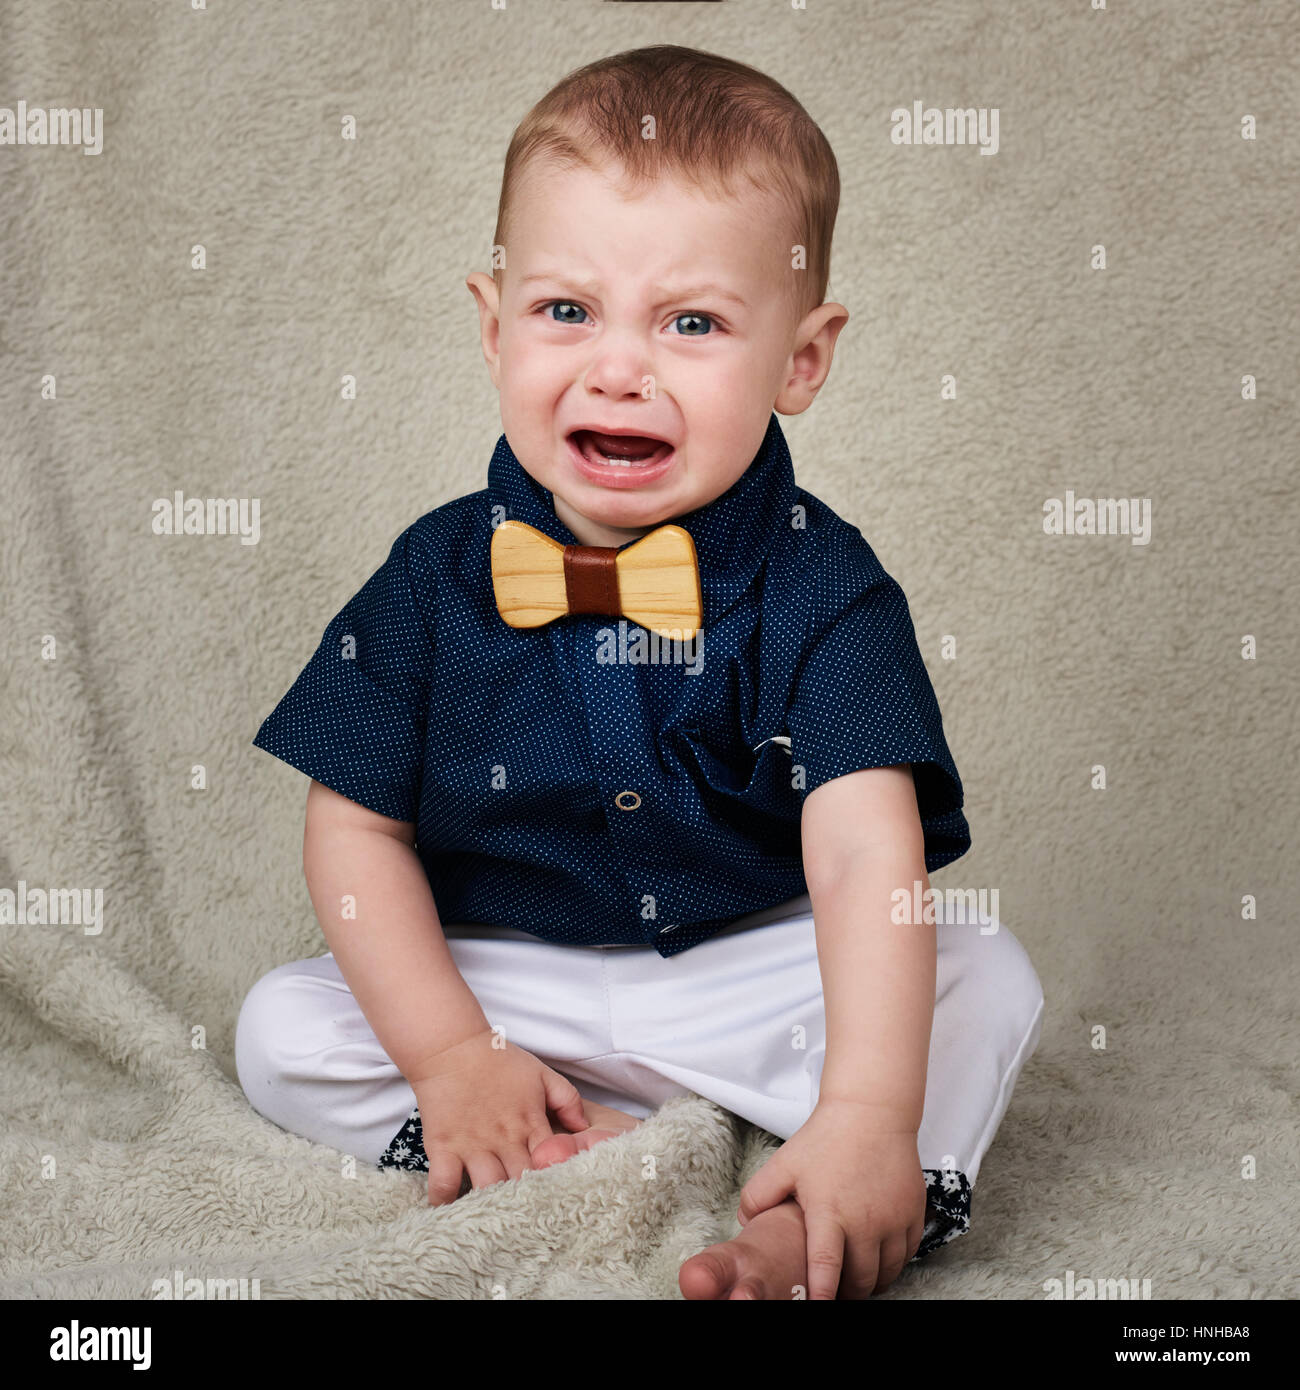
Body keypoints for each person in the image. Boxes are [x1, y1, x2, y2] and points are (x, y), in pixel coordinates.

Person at [237, 44, 1043, 1300]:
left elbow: (861, 856)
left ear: (802, 360)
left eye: (693, 323)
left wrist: (874, 1102)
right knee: (281, 1029)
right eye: (567, 310)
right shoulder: (430, 575)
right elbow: (351, 829)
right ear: (494, 325)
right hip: (513, 979)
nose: (620, 367)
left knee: (982, 972)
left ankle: (829, 1207)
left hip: (743, 969)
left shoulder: (823, 586)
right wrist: (452, 1051)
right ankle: (543, 1133)